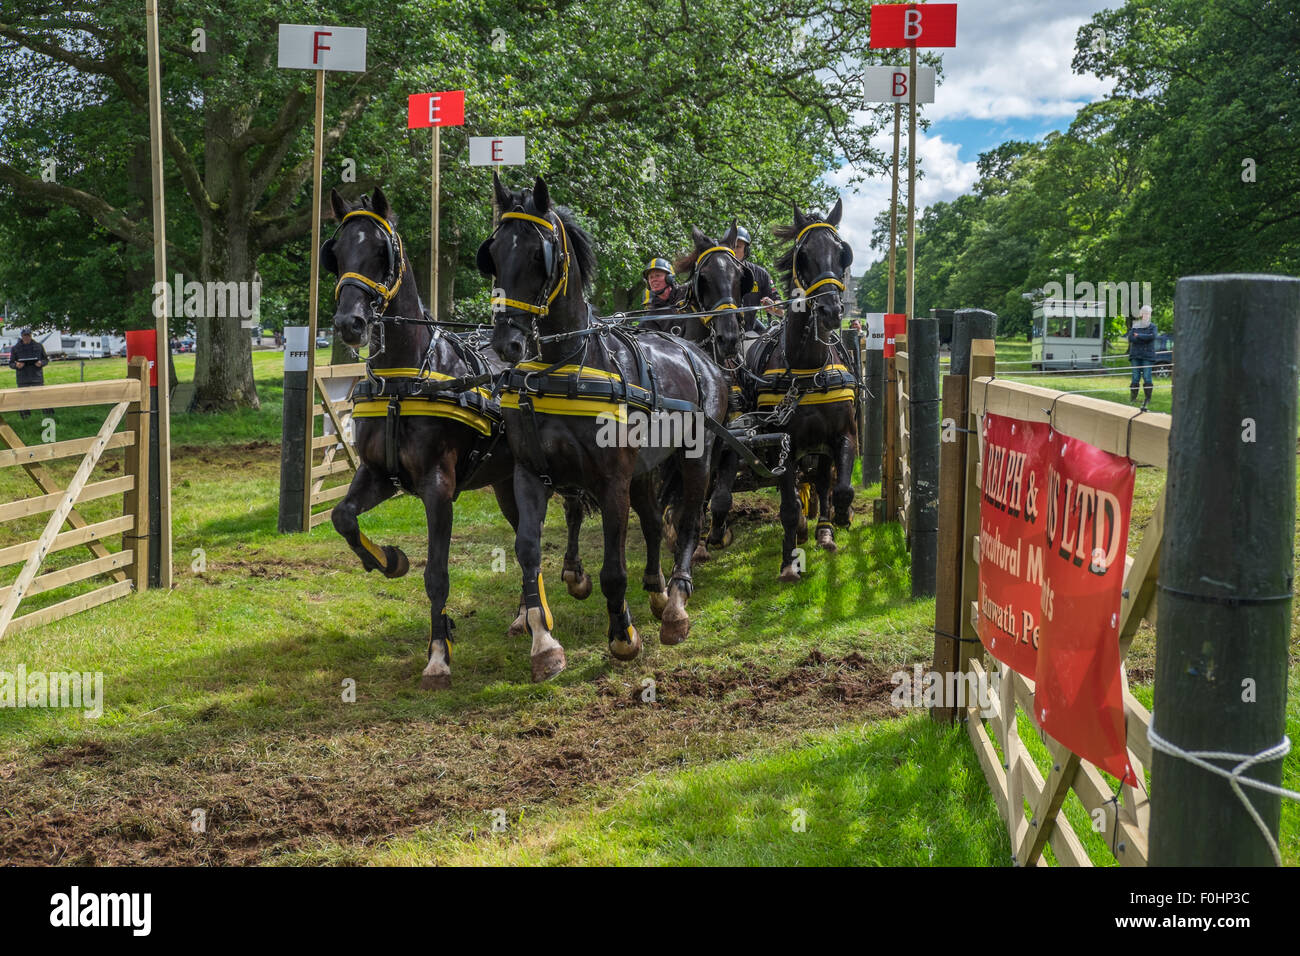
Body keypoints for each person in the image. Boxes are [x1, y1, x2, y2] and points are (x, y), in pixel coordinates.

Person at [733, 226, 781, 333]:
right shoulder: (714, 273)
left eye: (737, 247)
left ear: (746, 251)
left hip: (748, 333)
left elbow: (781, 311)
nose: (733, 251)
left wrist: (772, 305)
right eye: (730, 246)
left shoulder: (761, 274)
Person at [9, 328, 51, 419]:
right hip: (23, 377)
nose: (27, 337)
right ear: (22, 336)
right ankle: (25, 417)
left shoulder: (39, 346)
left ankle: (48, 415)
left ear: (31, 336)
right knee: (24, 398)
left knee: (41, 396)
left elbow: (46, 360)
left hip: (37, 376)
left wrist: (41, 363)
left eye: (28, 335)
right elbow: (11, 363)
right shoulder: (15, 348)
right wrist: (17, 365)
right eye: (25, 335)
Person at [1125, 305, 1157, 407]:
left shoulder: (1153, 327)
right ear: (1141, 314)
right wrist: (1144, 338)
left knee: (1147, 377)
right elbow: (1131, 338)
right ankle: (1133, 398)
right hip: (1135, 355)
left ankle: (1148, 399)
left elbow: (1152, 337)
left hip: (1147, 356)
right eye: (1145, 313)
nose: (1147, 315)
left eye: (1148, 313)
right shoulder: (1135, 326)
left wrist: (1138, 336)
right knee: (1135, 377)